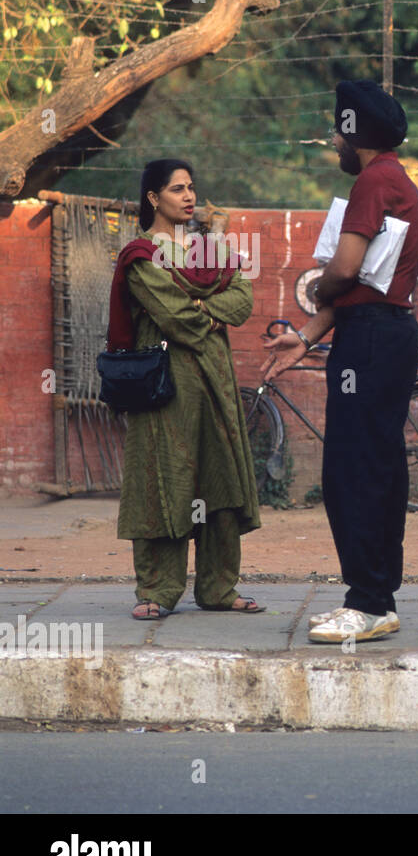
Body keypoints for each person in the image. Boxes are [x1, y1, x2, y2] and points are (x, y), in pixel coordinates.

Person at [262, 80, 418, 644]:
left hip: (373, 342)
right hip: (378, 334)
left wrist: (318, 286)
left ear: (354, 134)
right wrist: (306, 337)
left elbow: (346, 273)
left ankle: (370, 601)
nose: (333, 140)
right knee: (370, 465)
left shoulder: (373, 182)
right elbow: (361, 292)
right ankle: (374, 597)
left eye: (338, 130)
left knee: (355, 470)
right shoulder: (393, 179)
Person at [111, 159, 263, 619]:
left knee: (220, 480)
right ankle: (157, 590)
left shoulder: (209, 250)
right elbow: (172, 314)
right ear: (153, 198)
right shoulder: (140, 255)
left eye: (192, 187)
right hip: (164, 384)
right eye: (177, 189)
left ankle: (219, 588)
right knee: (165, 479)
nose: (189, 196)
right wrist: (206, 313)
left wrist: (208, 309)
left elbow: (243, 298)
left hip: (214, 380)